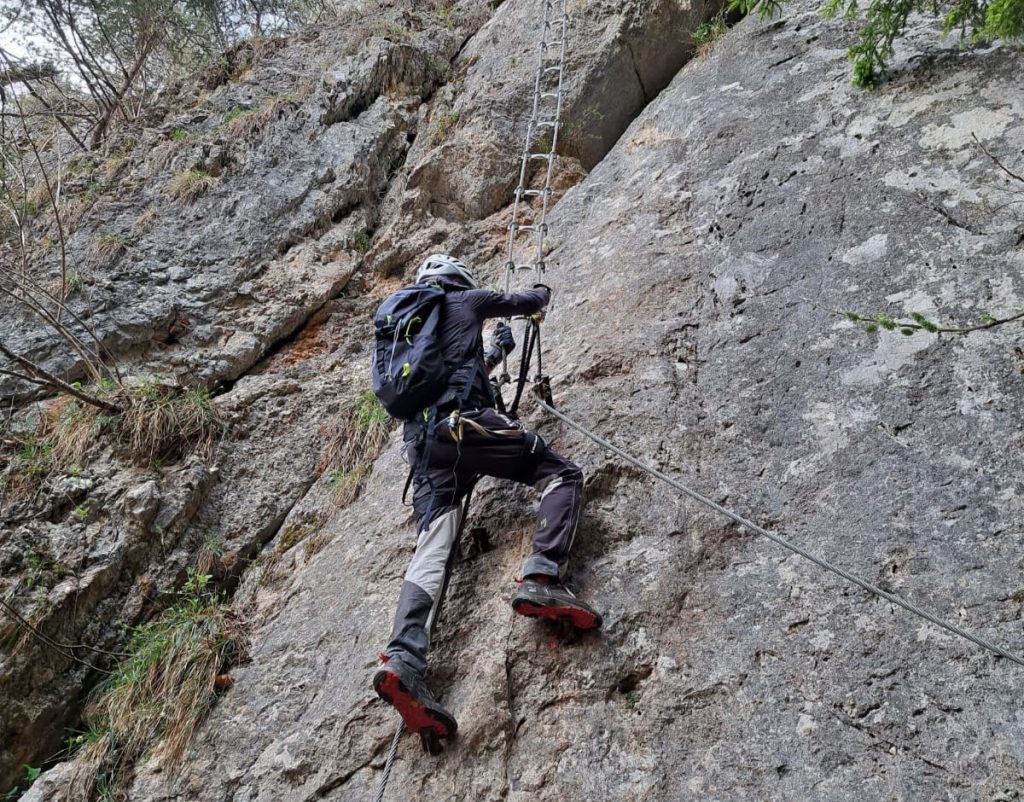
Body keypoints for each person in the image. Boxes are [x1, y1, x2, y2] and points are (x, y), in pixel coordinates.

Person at [373, 253, 601, 742]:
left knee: (434, 545)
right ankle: (542, 577)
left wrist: (496, 351)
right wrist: (542, 290)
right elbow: (525, 300)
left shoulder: (420, 330)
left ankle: (404, 659)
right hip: (466, 430)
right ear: (459, 284)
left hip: (426, 449)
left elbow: (461, 368)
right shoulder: (467, 299)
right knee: (561, 474)